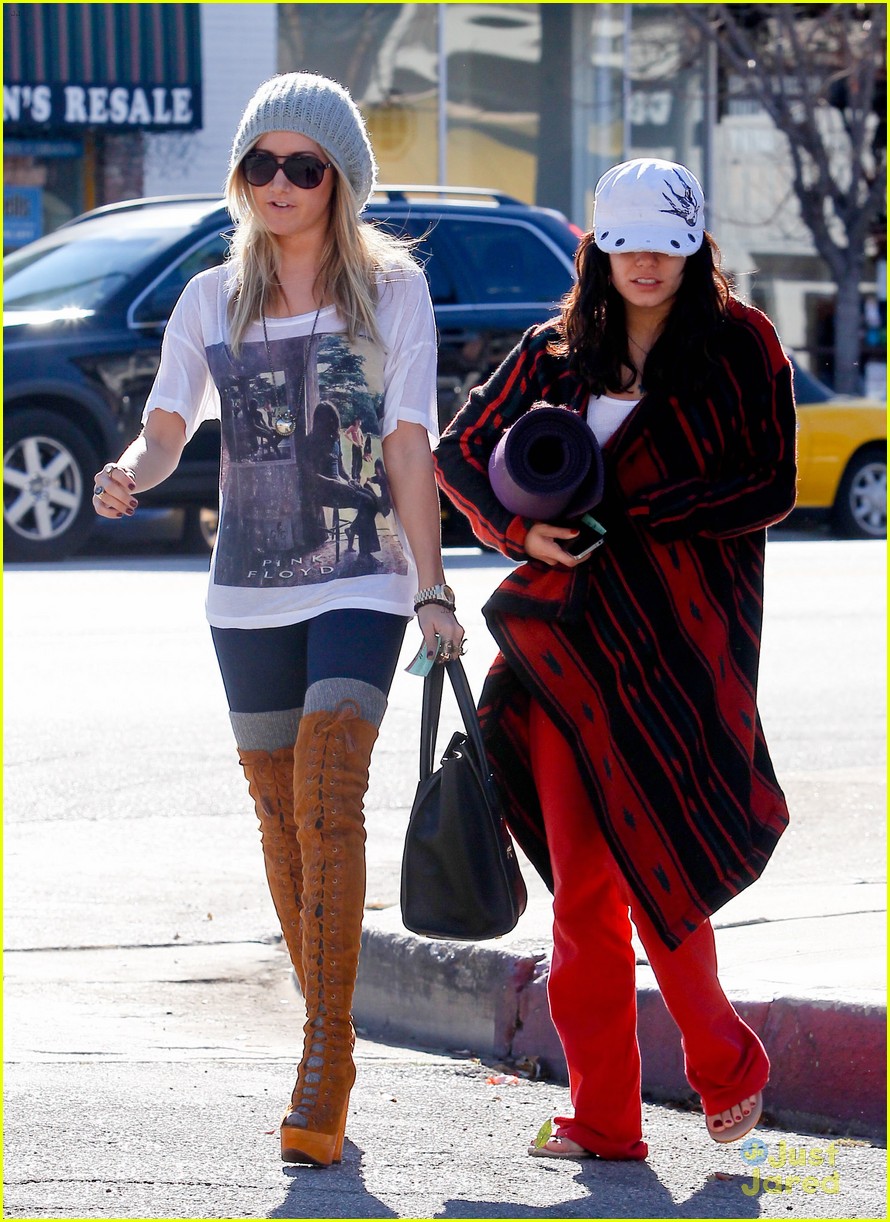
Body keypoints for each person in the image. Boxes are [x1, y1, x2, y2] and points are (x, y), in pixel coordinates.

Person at [92, 71, 463, 1167]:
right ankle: (325, 1026)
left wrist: (434, 586)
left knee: (326, 794)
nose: (280, 183)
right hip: (247, 590)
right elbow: (168, 426)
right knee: (277, 814)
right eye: (260, 163)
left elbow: (408, 444)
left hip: (362, 575)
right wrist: (129, 468)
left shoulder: (391, 292)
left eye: (304, 165)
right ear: (240, 176)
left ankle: (323, 1055)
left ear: (341, 180)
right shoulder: (212, 298)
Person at [434, 157, 797, 1161]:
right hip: (562, 654)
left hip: (679, 650)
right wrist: (520, 533)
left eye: (666, 245)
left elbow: (770, 484)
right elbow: (458, 452)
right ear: (597, 247)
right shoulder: (553, 351)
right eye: (626, 243)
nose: (646, 263)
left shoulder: (741, 344)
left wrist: (637, 513)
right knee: (586, 892)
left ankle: (724, 1059)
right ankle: (602, 1119)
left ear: (695, 248)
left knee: (662, 862)